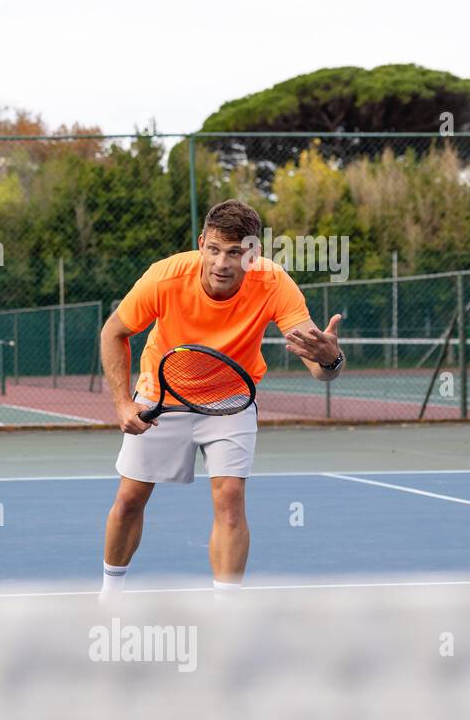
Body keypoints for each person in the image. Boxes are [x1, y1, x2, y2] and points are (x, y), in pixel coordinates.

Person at [98, 199, 343, 601]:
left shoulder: (274, 283)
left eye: (235, 252)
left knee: (230, 499)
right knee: (129, 499)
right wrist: (124, 404)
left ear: (254, 255)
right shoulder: (164, 277)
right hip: (163, 395)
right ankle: (109, 596)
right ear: (201, 244)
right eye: (213, 249)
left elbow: (321, 369)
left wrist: (331, 357)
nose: (222, 263)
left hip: (231, 400)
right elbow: (113, 332)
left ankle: (226, 613)